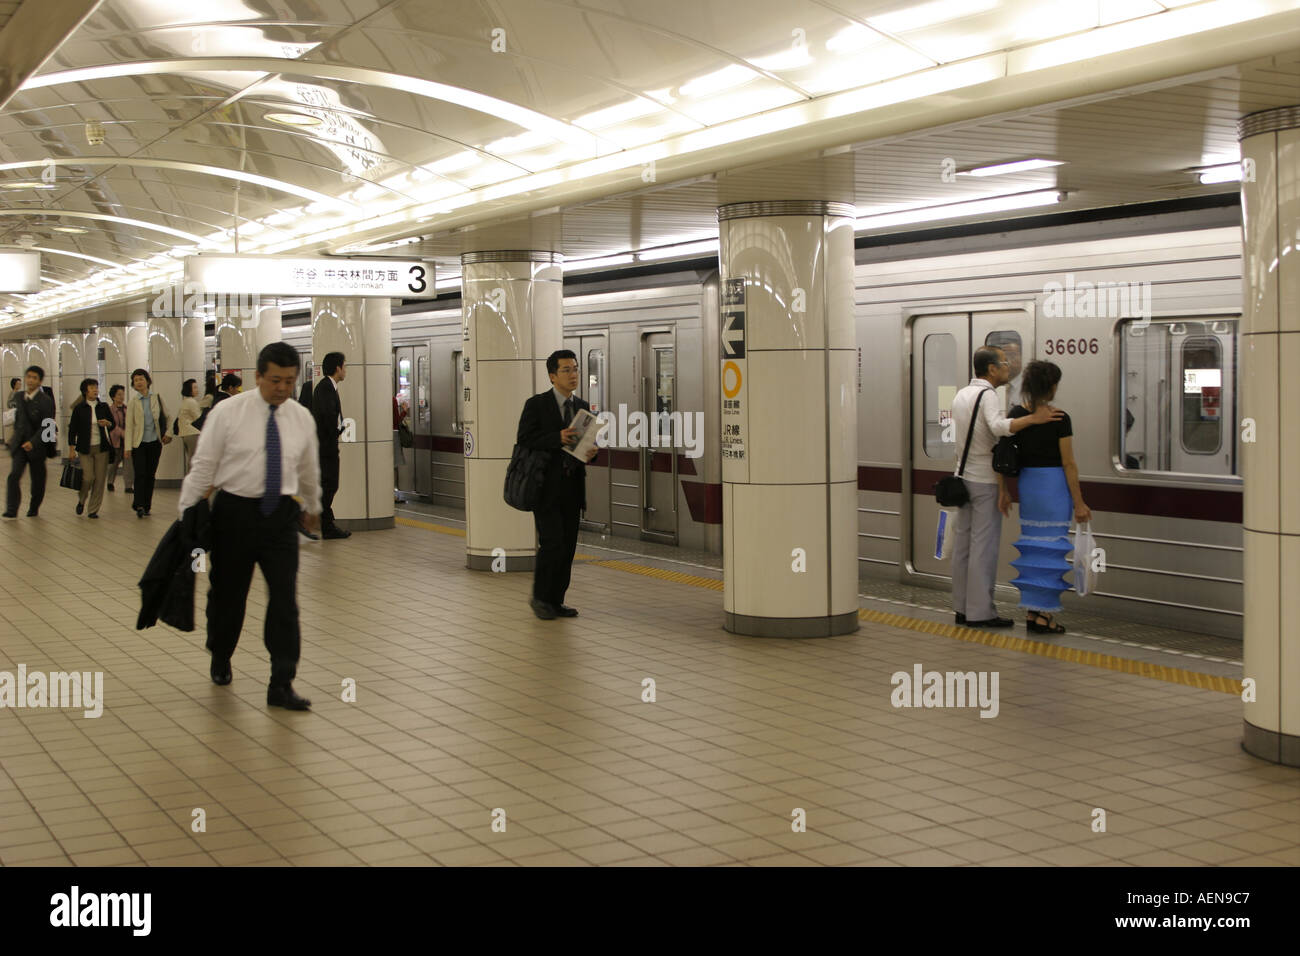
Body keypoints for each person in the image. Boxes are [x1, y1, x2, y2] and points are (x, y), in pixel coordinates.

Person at [178, 342, 321, 710]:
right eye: (275, 380)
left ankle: (281, 682)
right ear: (258, 377)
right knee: (228, 596)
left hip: (280, 518)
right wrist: (186, 513)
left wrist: (313, 504)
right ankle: (221, 654)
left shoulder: (300, 418)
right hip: (234, 514)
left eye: (289, 381)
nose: (282, 388)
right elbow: (205, 465)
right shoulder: (228, 413)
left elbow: (307, 467)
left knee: (285, 602)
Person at [949, 346, 1062, 628]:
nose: (1008, 366)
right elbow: (999, 427)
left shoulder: (961, 394)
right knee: (982, 549)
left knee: (963, 547)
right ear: (991, 369)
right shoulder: (987, 395)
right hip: (984, 481)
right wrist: (1033, 419)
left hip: (962, 479)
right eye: (1003, 362)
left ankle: (962, 608)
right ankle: (980, 612)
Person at [1008, 361, 1092, 634]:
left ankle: (1034, 613)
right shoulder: (1059, 418)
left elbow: (1003, 451)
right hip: (1053, 488)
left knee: (1034, 550)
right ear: (1051, 386)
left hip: (1029, 488)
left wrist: (1002, 490)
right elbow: (1069, 464)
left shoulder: (1017, 416)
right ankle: (1045, 615)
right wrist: (1079, 502)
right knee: (1052, 551)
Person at [516, 349, 599, 620]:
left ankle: (557, 600)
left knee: (568, 547)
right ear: (552, 375)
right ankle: (540, 598)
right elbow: (525, 439)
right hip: (545, 488)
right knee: (552, 544)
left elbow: (584, 445)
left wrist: (592, 453)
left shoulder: (582, 406)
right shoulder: (536, 405)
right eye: (566, 370)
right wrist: (556, 437)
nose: (573, 374)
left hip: (573, 489)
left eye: (575, 369)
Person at [4, 365, 55, 518]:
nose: (31, 380)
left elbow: (47, 426)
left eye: (34, 378)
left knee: (38, 481)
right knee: (14, 476)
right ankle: (11, 509)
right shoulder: (19, 397)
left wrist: (33, 442)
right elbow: (18, 419)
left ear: (40, 381)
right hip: (19, 445)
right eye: (29, 377)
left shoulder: (45, 400)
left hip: (37, 447)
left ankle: (34, 507)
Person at [123, 368, 172, 517]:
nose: (139, 382)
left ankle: (147, 505)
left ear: (147, 381)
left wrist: (168, 434)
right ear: (133, 384)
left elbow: (168, 417)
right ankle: (139, 505)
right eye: (136, 380)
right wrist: (127, 448)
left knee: (150, 474)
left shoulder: (156, 398)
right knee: (140, 474)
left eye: (141, 379)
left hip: (155, 443)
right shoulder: (133, 402)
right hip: (139, 444)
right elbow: (129, 426)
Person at [311, 351, 350, 540]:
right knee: (330, 485)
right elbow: (328, 417)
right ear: (337, 368)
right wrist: (337, 430)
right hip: (326, 448)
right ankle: (326, 525)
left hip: (326, 446)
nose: (346, 370)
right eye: (345, 366)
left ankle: (327, 523)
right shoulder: (326, 388)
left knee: (329, 485)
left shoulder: (328, 386)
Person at [68, 378, 114, 519]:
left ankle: (93, 510)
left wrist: (107, 423)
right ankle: (82, 499)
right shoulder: (79, 408)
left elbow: (112, 424)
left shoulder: (103, 406)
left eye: (96, 387)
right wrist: (71, 449)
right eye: (91, 387)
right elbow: (73, 430)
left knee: (100, 480)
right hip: (84, 449)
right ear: (85, 391)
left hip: (102, 448)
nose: (95, 390)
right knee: (88, 477)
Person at [105, 384, 132, 493]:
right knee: (113, 464)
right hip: (115, 441)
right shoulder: (110, 410)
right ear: (113, 396)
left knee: (129, 464)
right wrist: (122, 433)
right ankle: (110, 482)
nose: (121, 397)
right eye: (119, 394)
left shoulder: (128, 409)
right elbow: (111, 425)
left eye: (122, 394)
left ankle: (128, 486)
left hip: (128, 442)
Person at [178, 379, 202, 473]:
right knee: (194, 460)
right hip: (193, 433)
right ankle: (192, 483)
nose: (197, 389)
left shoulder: (186, 401)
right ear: (189, 389)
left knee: (192, 459)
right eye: (194, 387)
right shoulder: (191, 402)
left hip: (186, 434)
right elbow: (198, 418)